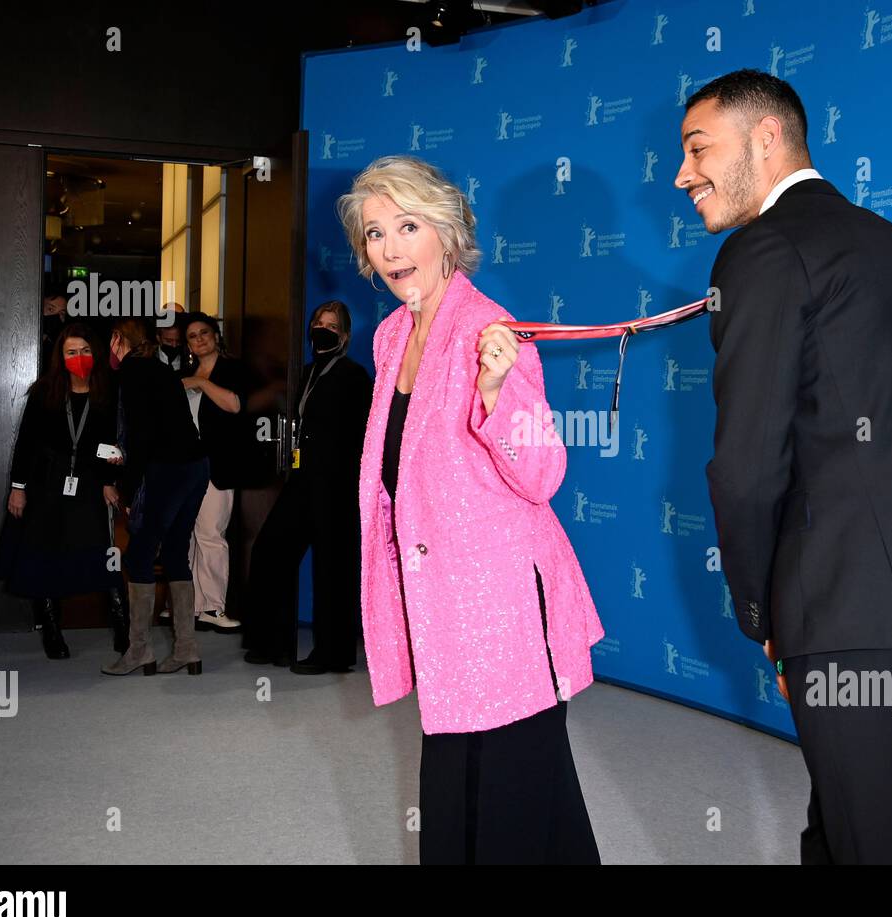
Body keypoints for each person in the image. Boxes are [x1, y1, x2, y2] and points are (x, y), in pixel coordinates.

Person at [675, 69, 892, 864]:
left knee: (879, 839)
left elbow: (745, 466)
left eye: (699, 148)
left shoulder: (761, 251)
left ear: (767, 137)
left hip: (853, 608)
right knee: (852, 815)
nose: (682, 174)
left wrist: (761, 613)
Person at [338, 155, 604, 863]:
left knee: (505, 805)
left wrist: (495, 392)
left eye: (407, 225)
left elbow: (544, 472)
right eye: (374, 234)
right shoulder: (394, 334)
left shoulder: (491, 329)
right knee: (489, 801)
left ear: (447, 233)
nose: (390, 249)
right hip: (447, 612)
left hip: (507, 614)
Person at [242, 301, 371, 673]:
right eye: (317, 322)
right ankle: (273, 642)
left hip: (339, 487)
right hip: (302, 481)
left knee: (334, 569)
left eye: (330, 325)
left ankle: (334, 654)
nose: (321, 328)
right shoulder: (309, 372)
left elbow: (364, 437)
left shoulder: (354, 376)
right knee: (270, 550)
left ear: (343, 336)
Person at [0, 321, 127, 659]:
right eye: (71, 352)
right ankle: (52, 630)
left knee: (103, 554)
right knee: (45, 555)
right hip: (47, 484)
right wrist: (18, 488)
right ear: (61, 356)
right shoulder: (44, 392)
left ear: (94, 353)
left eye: (84, 351)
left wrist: (109, 482)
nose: (79, 357)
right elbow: (26, 443)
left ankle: (124, 629)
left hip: (91, 483)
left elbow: (114, 443)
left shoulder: (109, 391)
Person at [101, 316, 209, 676]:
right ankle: (187, 650)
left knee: (140, 555)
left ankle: (139, 651)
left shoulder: (131, 373)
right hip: (195, 466)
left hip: (167, 469)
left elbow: (140, 438)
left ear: (118, 340)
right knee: (176, 551)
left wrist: (129, 490)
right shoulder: (161, 371)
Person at [180, 313, 245, 632]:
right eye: (192, 336)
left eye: (204, 332)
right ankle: (191, 606)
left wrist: (203, 383)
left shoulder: (232, 369)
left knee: (210, 533)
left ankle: (214, 606)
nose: (200, 339)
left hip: (217, 465)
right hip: (184, 464)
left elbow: (233, 405)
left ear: (216, 335)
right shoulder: (183, 373)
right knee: (187, 536)